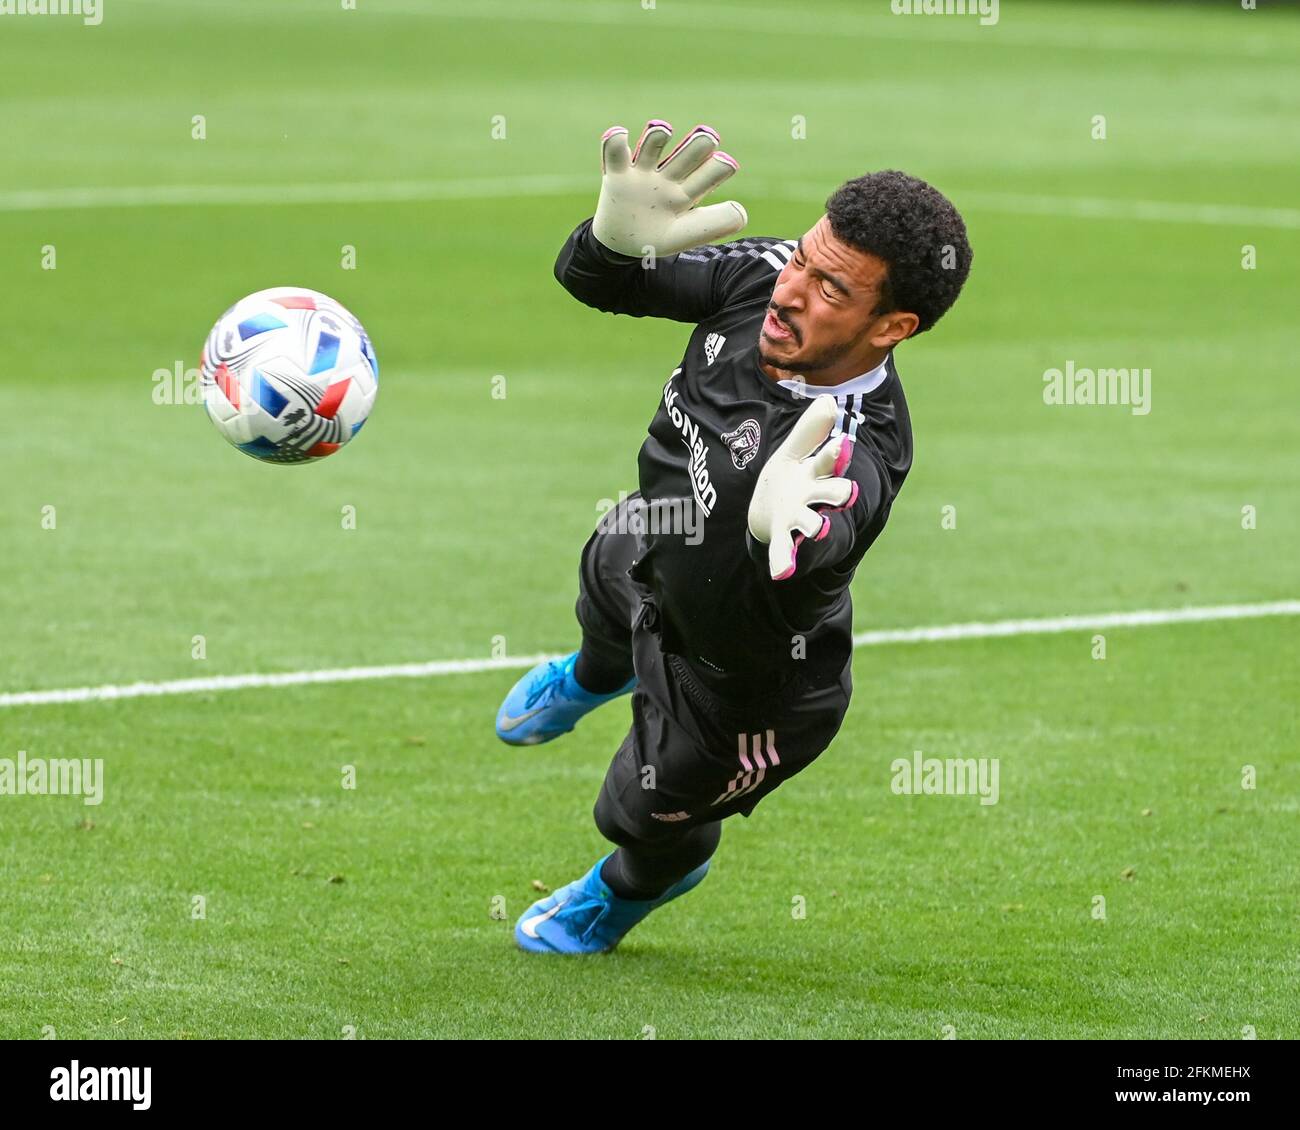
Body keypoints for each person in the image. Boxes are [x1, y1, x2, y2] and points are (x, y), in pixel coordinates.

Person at [497, 119, 973, 954]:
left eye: (831, 289)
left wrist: (784, 533)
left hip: (739, 688)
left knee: (638, 818)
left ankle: (625, 893)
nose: (792, 289)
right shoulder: (766, 277)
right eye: (804, 258)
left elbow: (813, 565)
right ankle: (591, 676)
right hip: (654, 537)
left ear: (892, 327)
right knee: (602, 581)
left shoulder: (864, 444)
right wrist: (608, 246)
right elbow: (603, 285)